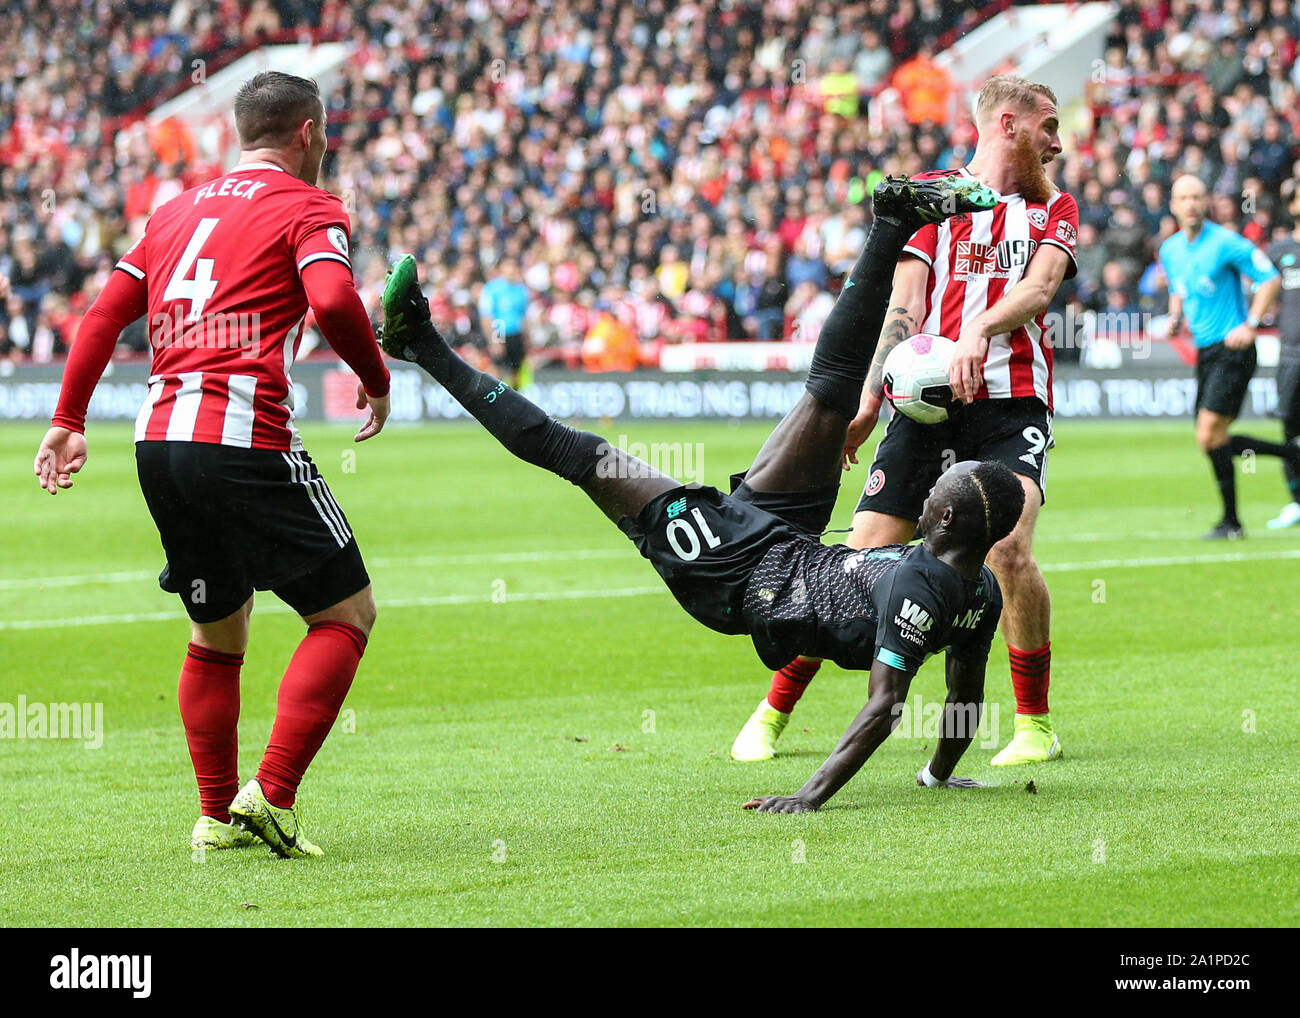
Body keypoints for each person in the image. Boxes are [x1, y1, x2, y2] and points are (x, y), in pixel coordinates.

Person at [379, 176, 1021, 810]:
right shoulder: (981, 591)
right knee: (831, 391)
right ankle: (890, 222)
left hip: (742, 576)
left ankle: (420, 346)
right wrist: (939, 773)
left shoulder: (923, 591)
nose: (938, 477)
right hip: (791, 543)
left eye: (946, 485)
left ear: (940, 518)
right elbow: (966, 693)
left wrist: (808, 798)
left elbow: (886, 706)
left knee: (581, 456)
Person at [33, 72, 392, 858]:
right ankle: (272, 792)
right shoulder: (307, 207)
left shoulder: (174, 210)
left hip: (158, 440)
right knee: (345, 614)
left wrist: (67, 420)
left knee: (217, 627)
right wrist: (375, 375)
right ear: (308, 133)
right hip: (242, 436)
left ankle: (215, 813)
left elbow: (102, 315)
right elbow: (332, 302)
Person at [731, 75, 1077, 768]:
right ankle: (774, 709)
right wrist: (867, 399)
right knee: (855, 565)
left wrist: (979, 328)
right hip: (924, 408)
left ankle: (1034, 725)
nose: (1058, 142)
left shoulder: (1053, 206)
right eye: (1049, 127)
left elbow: (1041, 289)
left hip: (1010, 406)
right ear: (1008, 123)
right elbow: (905, 306)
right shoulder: (930, 195)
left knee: (1007, 551)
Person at [1160, 175, 1288, 540]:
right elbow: (1177, 289)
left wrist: (1250, 323)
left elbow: (1269, 278)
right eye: (1183, 197)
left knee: (1208, 433)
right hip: (1206, 350)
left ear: (1207, 201)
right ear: (1173, 205)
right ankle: (1288, 455)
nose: (1191, 204)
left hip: (1234, 349)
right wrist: (1175, 318)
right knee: (1210, 438)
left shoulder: (1226, 242)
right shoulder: (1170, 249)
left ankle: (1231, 522)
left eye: (1197, 196)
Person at [1263, 181, 1300, 529]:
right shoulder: (1280, 250)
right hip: (1290, 355)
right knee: (1289, 430)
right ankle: (1296, 501)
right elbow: (1260, 288)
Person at [478, 258, 532, 387]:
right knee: (497, 369)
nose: (511, 270)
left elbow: (524, 316)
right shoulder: (492, 289)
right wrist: (494, 340)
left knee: (516, 371)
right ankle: (496, 402)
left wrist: (526, 339)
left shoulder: (521, 290)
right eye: (508, 266)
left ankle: (514, 401)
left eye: (514, 266)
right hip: (500, 331)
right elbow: (486, 316)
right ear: (501, 269)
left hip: (516, 334)